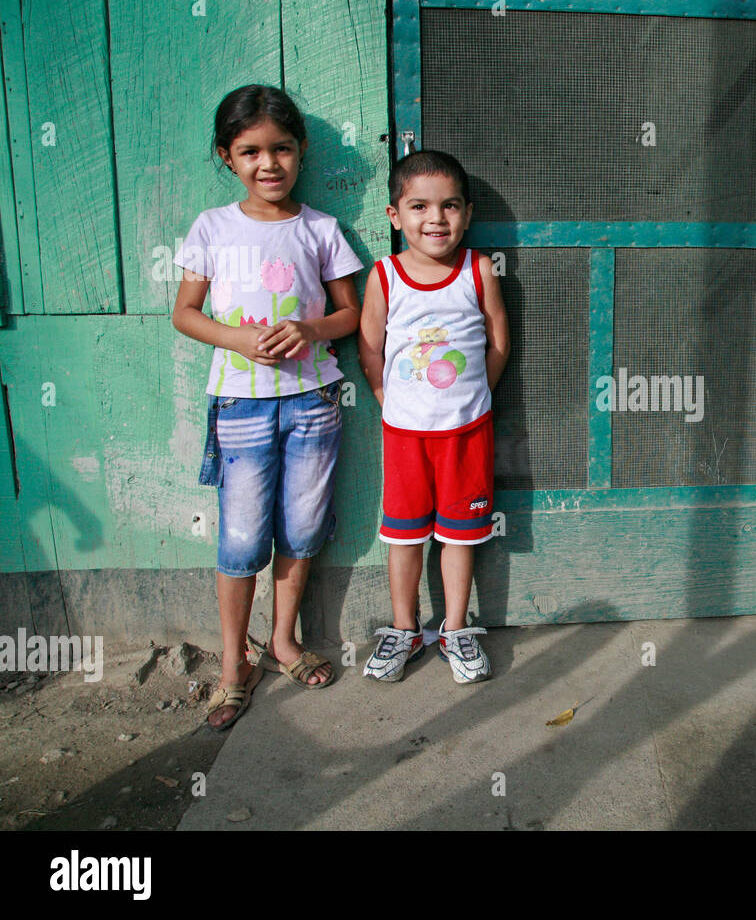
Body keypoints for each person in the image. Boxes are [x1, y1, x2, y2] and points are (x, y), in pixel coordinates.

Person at [172, 84, 363, 730]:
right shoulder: (213, 228)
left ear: (301, 152)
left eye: (281, 149)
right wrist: (238, 338)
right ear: (227, 156)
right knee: (240, 539)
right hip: (242, 406)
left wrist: (311, 331)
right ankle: (233, 664)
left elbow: (351, 313)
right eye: (250, 151)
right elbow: (185, 314)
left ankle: (281, 641)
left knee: (302, 529)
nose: (268, 163)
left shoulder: (319, 229)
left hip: (311, 402)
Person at [357, 150, 509, 683]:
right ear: (395, 215)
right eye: (419, 206)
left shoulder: (478, 269)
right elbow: (370, 348)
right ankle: (404, 629)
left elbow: (497, 342)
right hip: (404, 436)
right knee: (403, 536)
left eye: (449, 206)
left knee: (461, 536)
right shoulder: (385, 275)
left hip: (466, 433)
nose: (435, 219)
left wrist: (471, 400)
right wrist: (388, 401)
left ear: (466, 213)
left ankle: (453, 628)